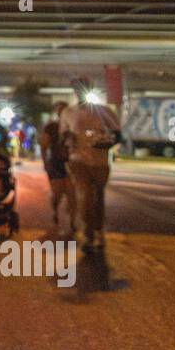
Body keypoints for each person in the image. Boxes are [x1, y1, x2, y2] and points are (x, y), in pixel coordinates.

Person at [61, 80, 122, 254]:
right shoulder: (69, 112)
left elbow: (117, 133)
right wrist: (68, 138)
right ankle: (88, 234)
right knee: (85, 196)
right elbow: (63, 134)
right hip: (78, 160)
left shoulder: (104, 111)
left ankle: (99, 230)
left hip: (100, 161)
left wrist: (106, 144)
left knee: (98, 197)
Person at [39, 101, 74, 233]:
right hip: (56, 163)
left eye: (65, 109)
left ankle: (72, 222)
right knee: (58, 192)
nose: (62, 112)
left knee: (71, 193)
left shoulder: (73, 126)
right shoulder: (51, 127)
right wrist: (45, 163)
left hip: (71, 163)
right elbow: (43, 146)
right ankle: (55, 210)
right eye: (59, 110)